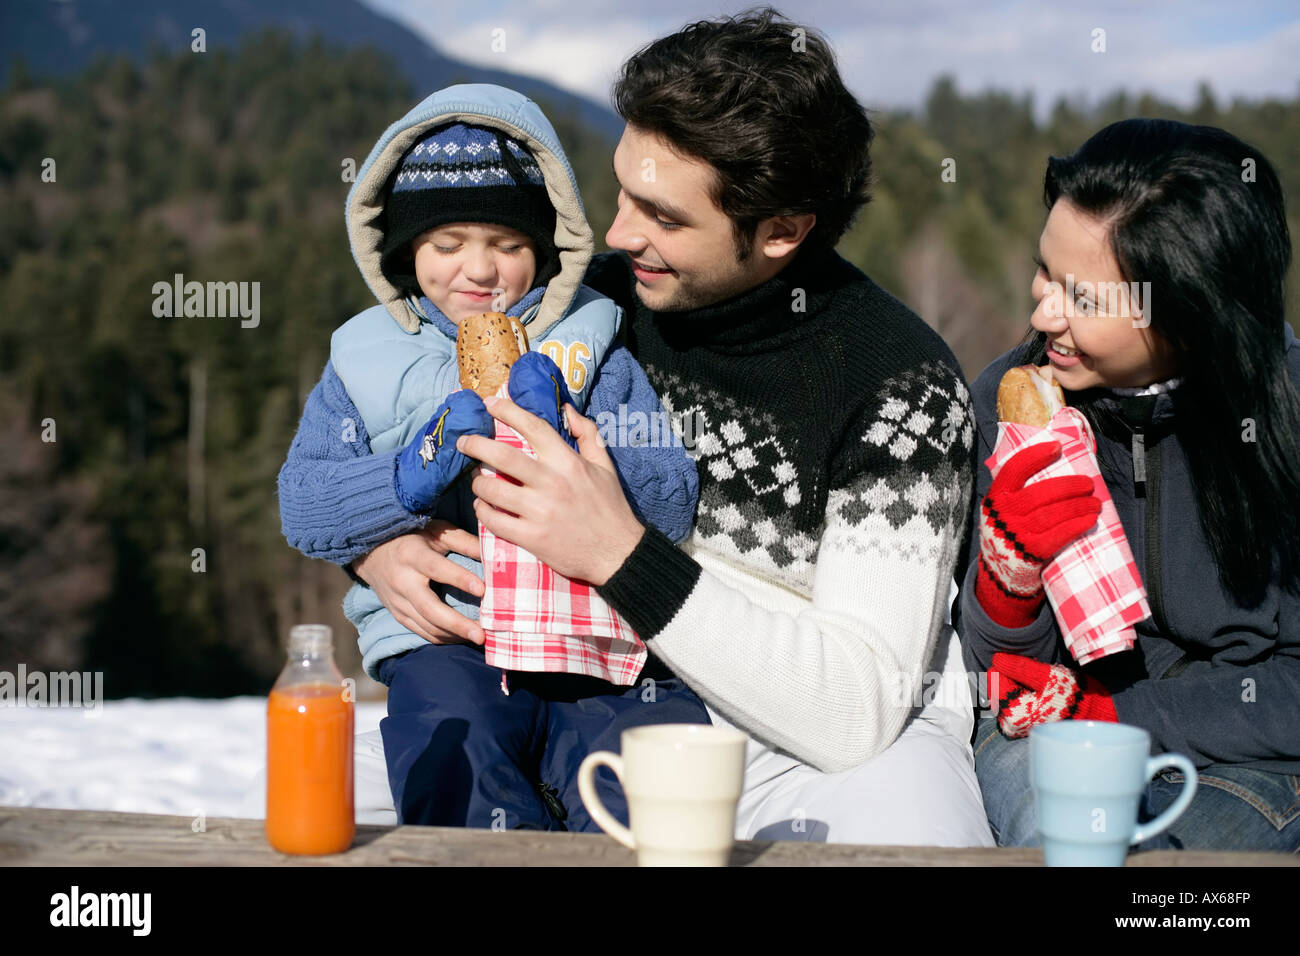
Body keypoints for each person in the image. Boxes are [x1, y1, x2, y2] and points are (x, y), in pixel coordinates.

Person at [415, 9, 992, 846]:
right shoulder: (587, 310)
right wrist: (386, 549)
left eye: (665, 217)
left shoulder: (899, 386)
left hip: (819, 759)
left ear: (782, 231)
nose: (617, 235)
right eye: (622, 192)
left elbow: (857, 707)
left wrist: (619, 553)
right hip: (587, 715)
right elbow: (399, 426)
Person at [275, 83, 709, 831]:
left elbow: (670, 496)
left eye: (508, 246)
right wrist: (407, 474)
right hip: (448, 638)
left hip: (594, 636)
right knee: (457, 773)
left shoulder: (591, 344)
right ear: (405, 248)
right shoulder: (365, 358)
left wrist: (566, 436)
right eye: (447, 245)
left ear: (545, 248)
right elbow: (305, 503)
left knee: (645, 795)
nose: (478, 272)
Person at [953, 117, 1300, 852]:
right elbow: (999, 680)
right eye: (1045, 271)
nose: (1043, 313)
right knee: (1068, 847)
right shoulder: (1007, 402)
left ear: (1191, 312)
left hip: (1256, 756)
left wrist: (1126, 714)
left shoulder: (1287, 417)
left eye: (1084, 298)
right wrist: (1008, 581)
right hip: (1054, 736)